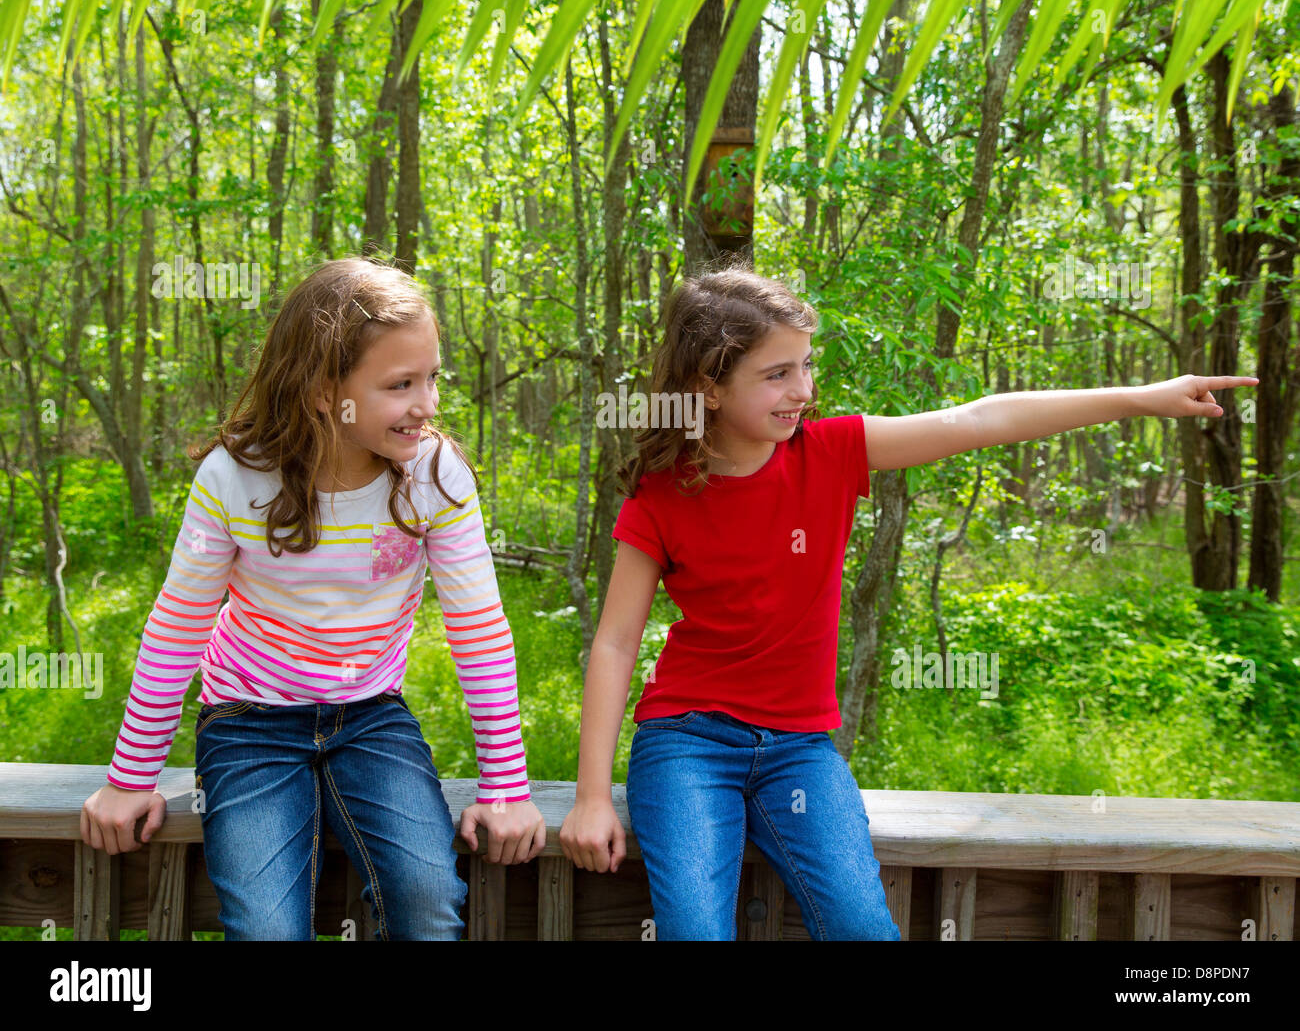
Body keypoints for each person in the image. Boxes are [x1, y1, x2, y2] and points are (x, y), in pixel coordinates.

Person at [558, 264, 1257, 940]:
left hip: (800, 751)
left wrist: (1143, 396)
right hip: (686, 742)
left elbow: (976, 419)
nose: (803, 388)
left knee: (862, 925)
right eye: (777, 373)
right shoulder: (664, 494)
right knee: (693, 931)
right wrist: (592, 798)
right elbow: (617, 643)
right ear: (708, 387)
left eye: (806, 365)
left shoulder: (828, 453)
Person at [80, 258, 545, 940]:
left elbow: (478, 629)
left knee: (425, 897)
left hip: (371, 716)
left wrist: (505, 789)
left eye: (432, 378)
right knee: (267, 926)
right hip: (249, 722)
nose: (429, 403)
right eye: (401, 385)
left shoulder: (435, 476)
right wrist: (131, 777)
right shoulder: (236, 476)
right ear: (327, 391)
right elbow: (179, 625)